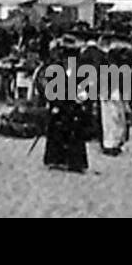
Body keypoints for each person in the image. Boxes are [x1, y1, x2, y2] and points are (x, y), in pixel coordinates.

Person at [42, 40, 90, 173]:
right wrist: (54, 104)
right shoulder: (57, 69)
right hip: (61, 104)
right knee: (58, 130)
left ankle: (75, 162)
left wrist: (81, 101)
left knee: (74, 133)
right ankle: (56, 159)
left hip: (72, 105)